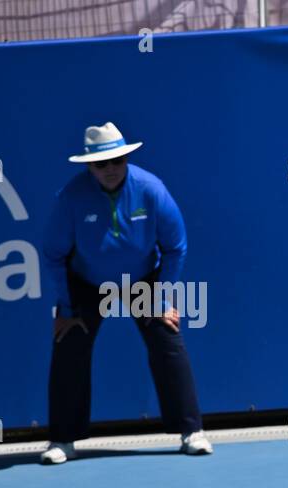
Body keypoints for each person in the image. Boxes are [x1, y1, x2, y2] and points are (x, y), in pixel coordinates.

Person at [39, 122, 210, 464]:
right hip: (87, 283)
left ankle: (191, 431)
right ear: (89, 166)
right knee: (69, 341)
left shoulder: (151, 190)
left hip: (143, 279)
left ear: (126, 158)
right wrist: (67, 307)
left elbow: (176, 248)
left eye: (117, 160)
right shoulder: (71, 198)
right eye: (101, 164)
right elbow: (54, 254)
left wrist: (160, 300)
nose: (111, 169)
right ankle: (63, 440)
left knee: (166, 334)